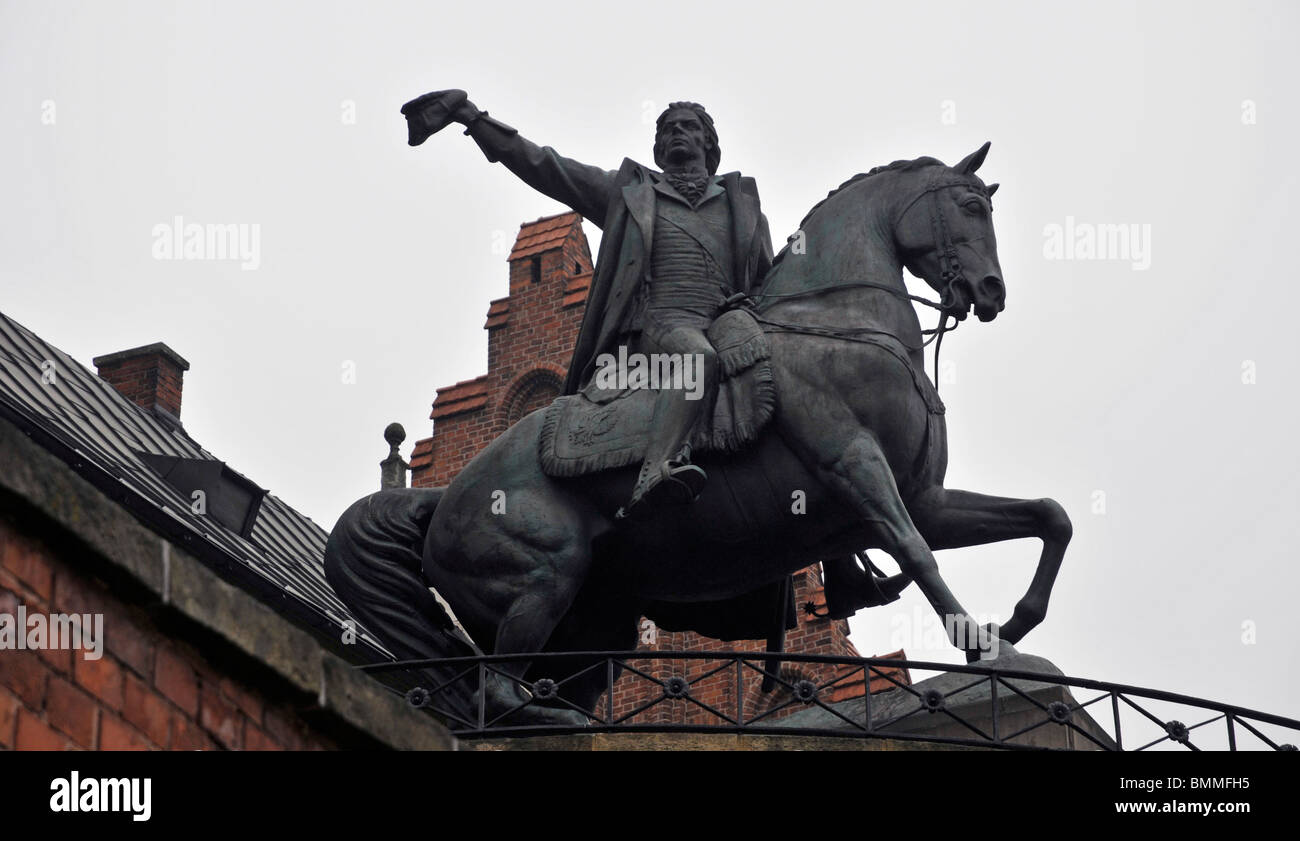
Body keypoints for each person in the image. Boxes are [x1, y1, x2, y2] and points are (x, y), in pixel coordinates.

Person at [403, 90, 773, 516]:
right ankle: (656, 471)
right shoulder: (632, 194)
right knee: (697, 358)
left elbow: (768, 282)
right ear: (658, 148)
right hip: (662, 326)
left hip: (727, 320)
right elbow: (548, 167)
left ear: (709, 142)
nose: (676, 133)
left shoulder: (742, 208)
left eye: (688, 126)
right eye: (667, 129)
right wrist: (473, 119)